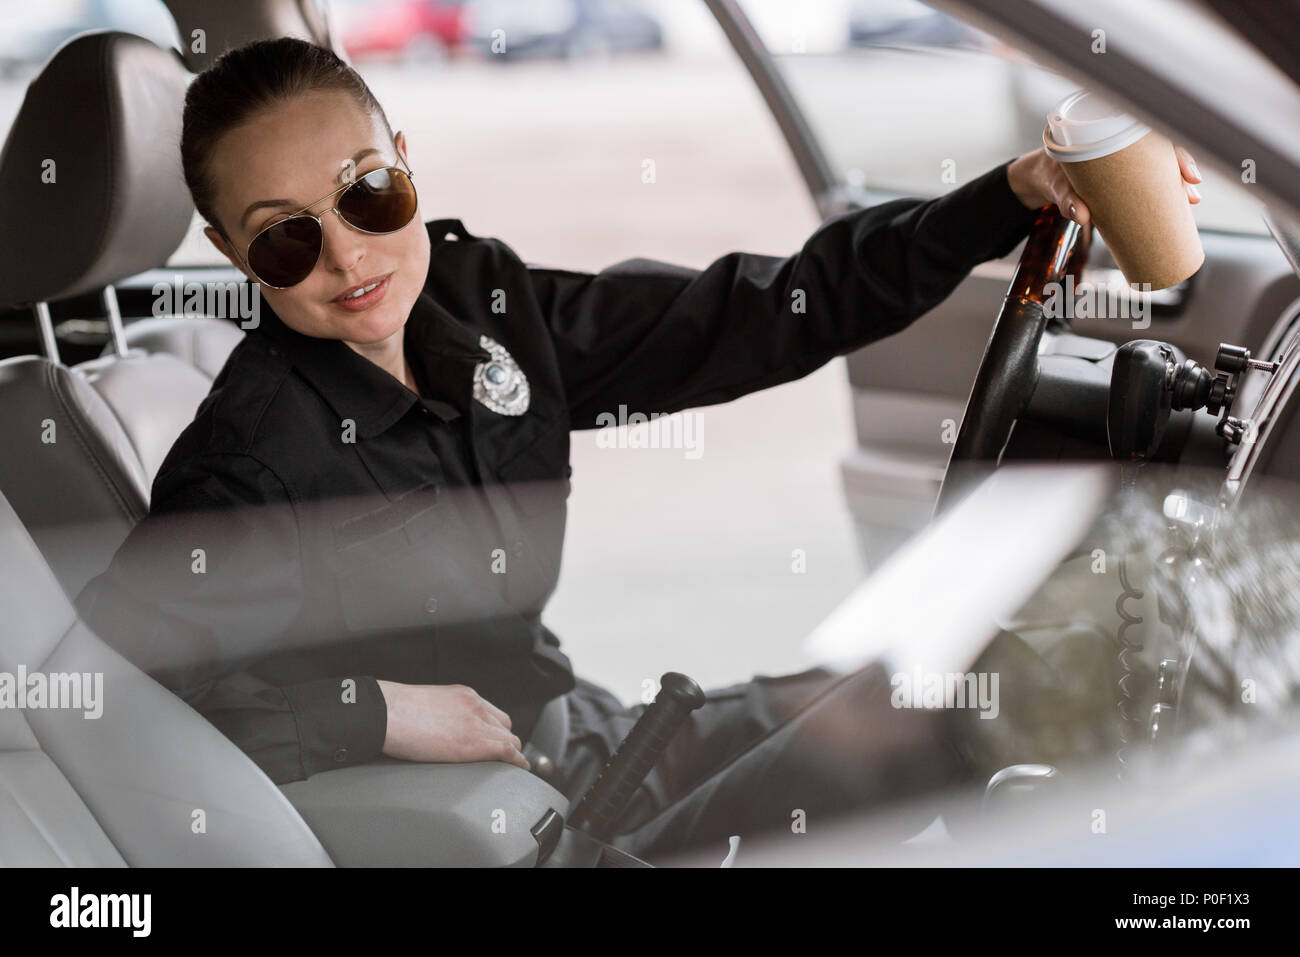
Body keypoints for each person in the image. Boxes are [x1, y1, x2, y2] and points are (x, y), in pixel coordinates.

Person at [75, 37, 1202, 863]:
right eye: (283, 236)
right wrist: (371, 712)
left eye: (370, 192)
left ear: (406, 163)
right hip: (513, 829)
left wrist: (1007, 198)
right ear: (228, 249)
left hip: (587, 736)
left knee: (951, 685)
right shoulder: (251, 452)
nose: (349, 254)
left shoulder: (481, 302)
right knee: (954, 725)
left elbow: (766, 311)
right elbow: (108, 686)